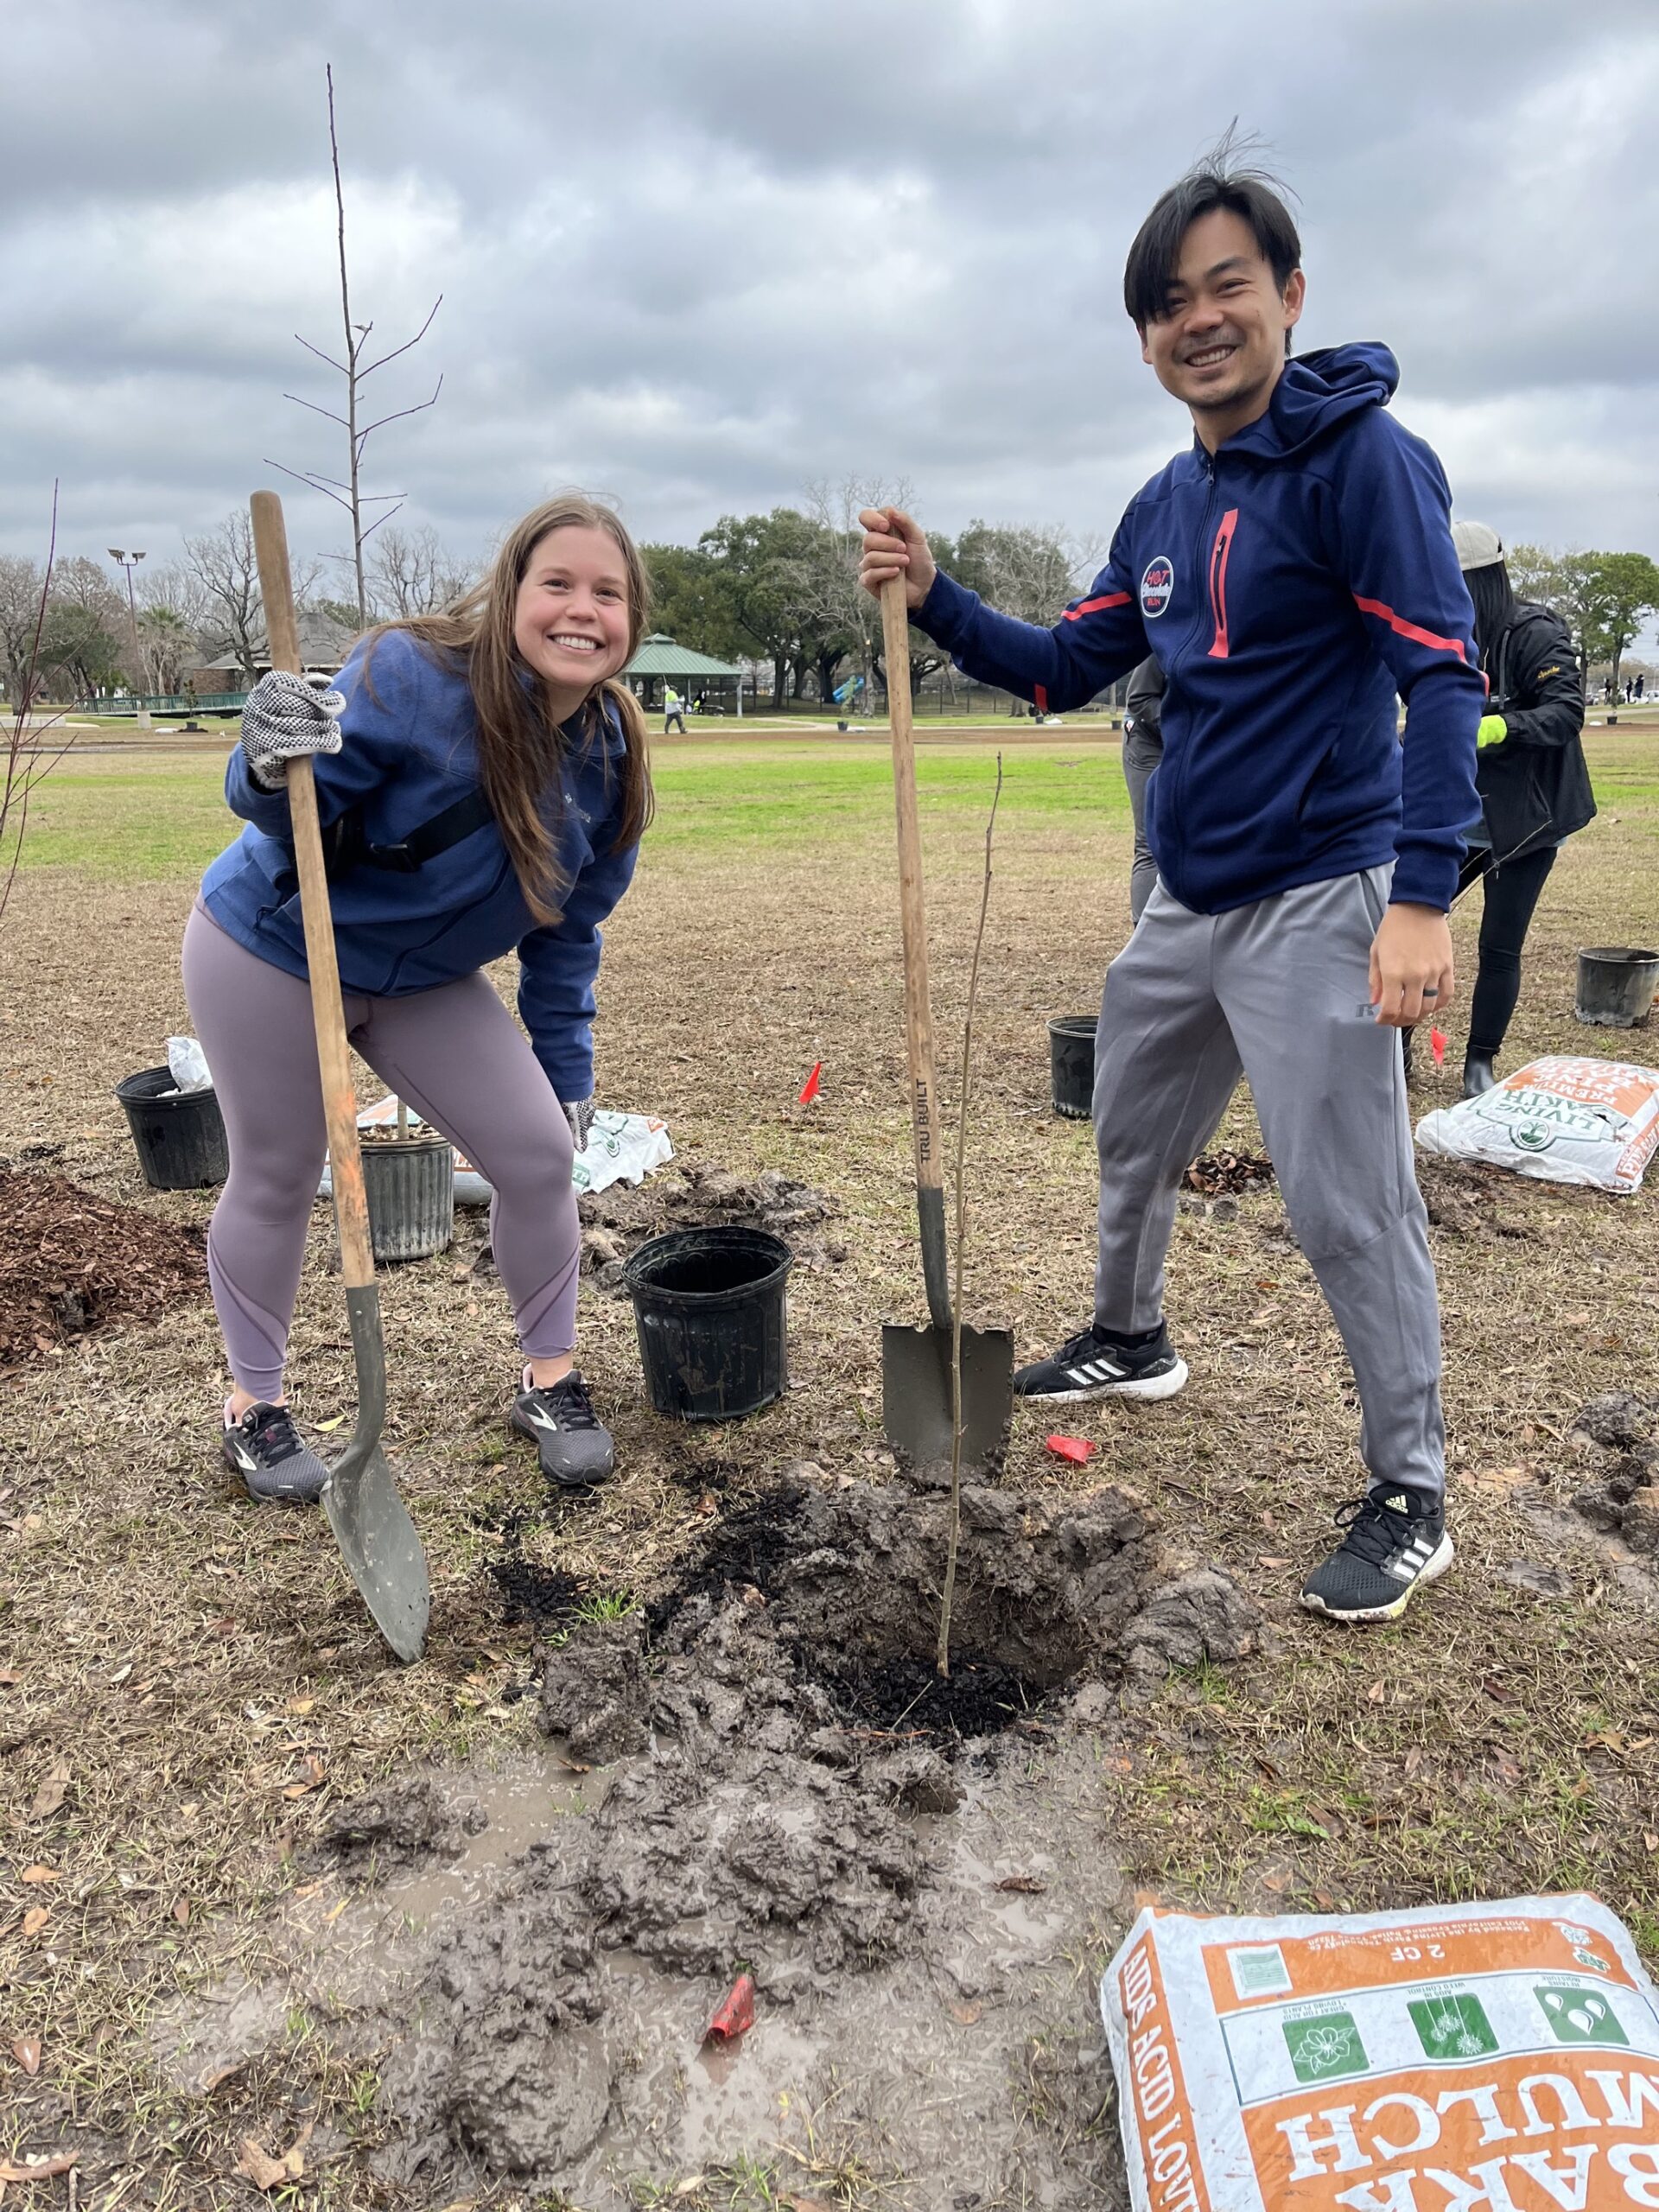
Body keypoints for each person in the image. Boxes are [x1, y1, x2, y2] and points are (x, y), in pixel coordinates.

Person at [861, 145, 1484, 1626]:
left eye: (1226, 288)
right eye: (1167, 304)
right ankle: (1130, 1336)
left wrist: (1421, 894)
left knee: (1349, 1204)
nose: (1198, 321)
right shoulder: (1162, 503)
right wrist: (937, 595)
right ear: (1144, 339)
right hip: (1184, 903)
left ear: (1288, 297)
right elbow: (1070, 666)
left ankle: (1412, 1486)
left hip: (1322, 895)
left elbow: (1442, 676)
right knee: (1131, 1141)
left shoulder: (1366, 466)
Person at [185, 493, 652, 1503]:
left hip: (423, 978)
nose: (582, 610)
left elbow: (567, 935)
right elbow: (282, 801)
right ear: (512, 593)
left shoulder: (610, 764)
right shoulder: (412, 675)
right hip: (275, 944)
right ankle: (254, 1406)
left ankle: (550, 1380)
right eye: (558, 583)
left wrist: (565, 1076)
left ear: (633, 621)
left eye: (607, 593)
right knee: (276, 1169)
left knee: (538, 1157)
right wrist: (264, 754)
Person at [1442, 520, 1593, 1096]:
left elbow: (1565, 713)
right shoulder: (1442, 636)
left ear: (1482, 580)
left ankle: (1479, 1064)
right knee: (1407, 924)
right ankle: (1396, 1050)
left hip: (1526, 820)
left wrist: (1500, 726)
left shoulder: (1535, 633)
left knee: (1499, 946)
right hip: (1458, 815)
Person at [1121, 656, 1165, 923]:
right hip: (1147, 741)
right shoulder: (1172, 629)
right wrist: (1184, 726)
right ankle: (1143, 933)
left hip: (1196, 739)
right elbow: (1139, 699)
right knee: (1150, 842)